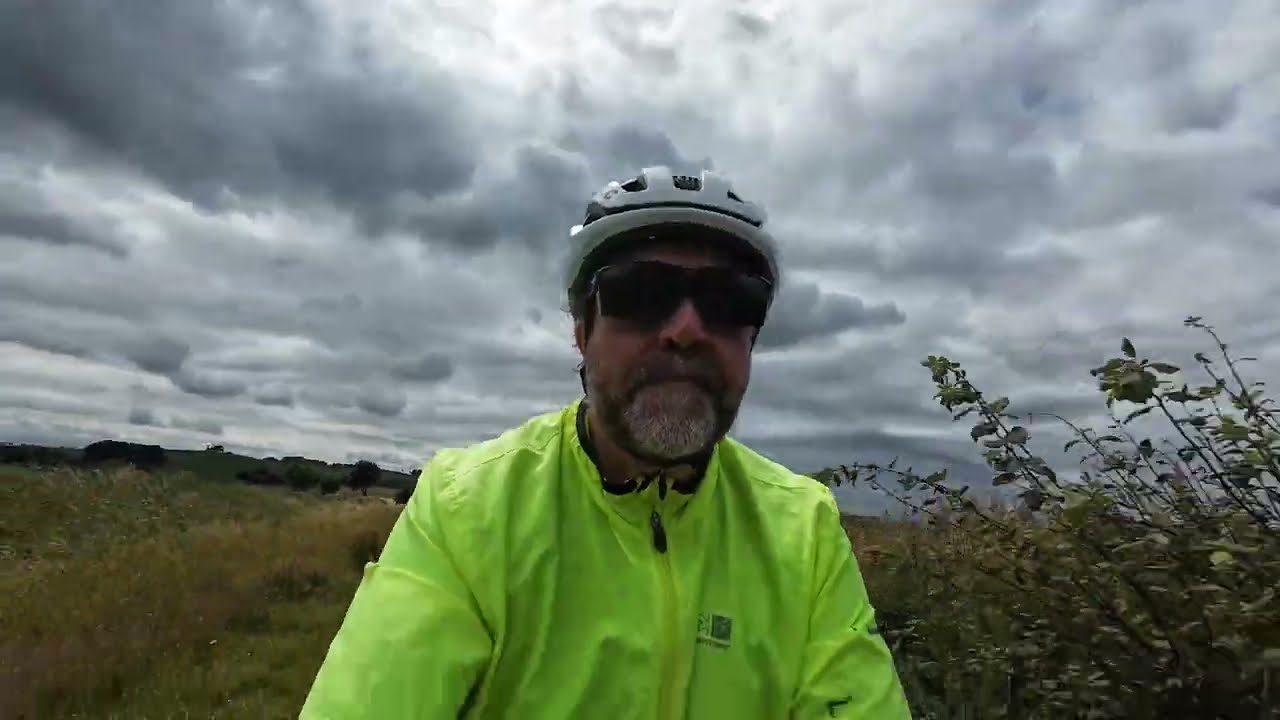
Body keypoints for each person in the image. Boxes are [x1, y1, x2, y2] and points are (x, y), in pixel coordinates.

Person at [300, 166, 912, 718]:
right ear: (581, 330)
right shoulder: (468, 508)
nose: (686, 330)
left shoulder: (803, 529)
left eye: (730, 302)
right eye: (641, 294)